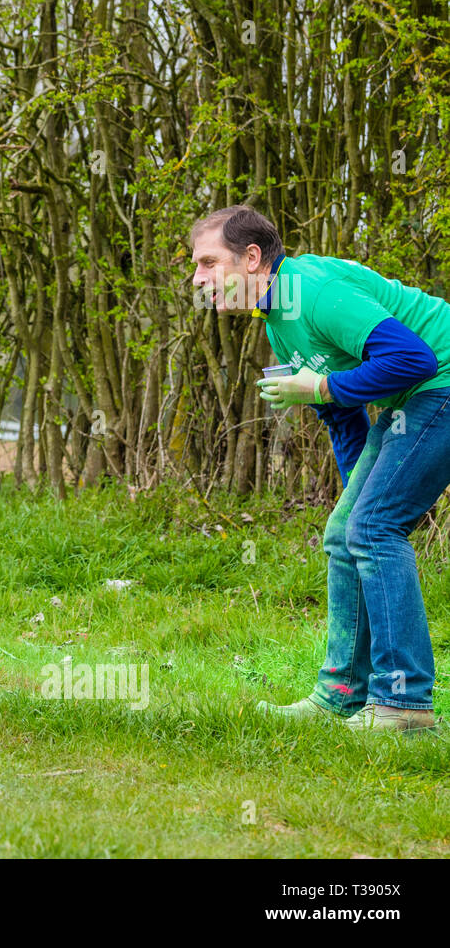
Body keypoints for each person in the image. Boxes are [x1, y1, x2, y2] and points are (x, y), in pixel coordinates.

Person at [190, 204, 450, 732]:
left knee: (373, 528)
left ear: (252, 258)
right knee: (346, 532)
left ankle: (404, 705)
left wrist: (323, 386)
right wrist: (361, 493)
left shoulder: (312, 292)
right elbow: (342, 420)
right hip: (416, 398)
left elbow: (414, 359)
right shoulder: (277, 321)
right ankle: (342, 695)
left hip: (440, 382)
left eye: (209, 263)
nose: (198, 279)